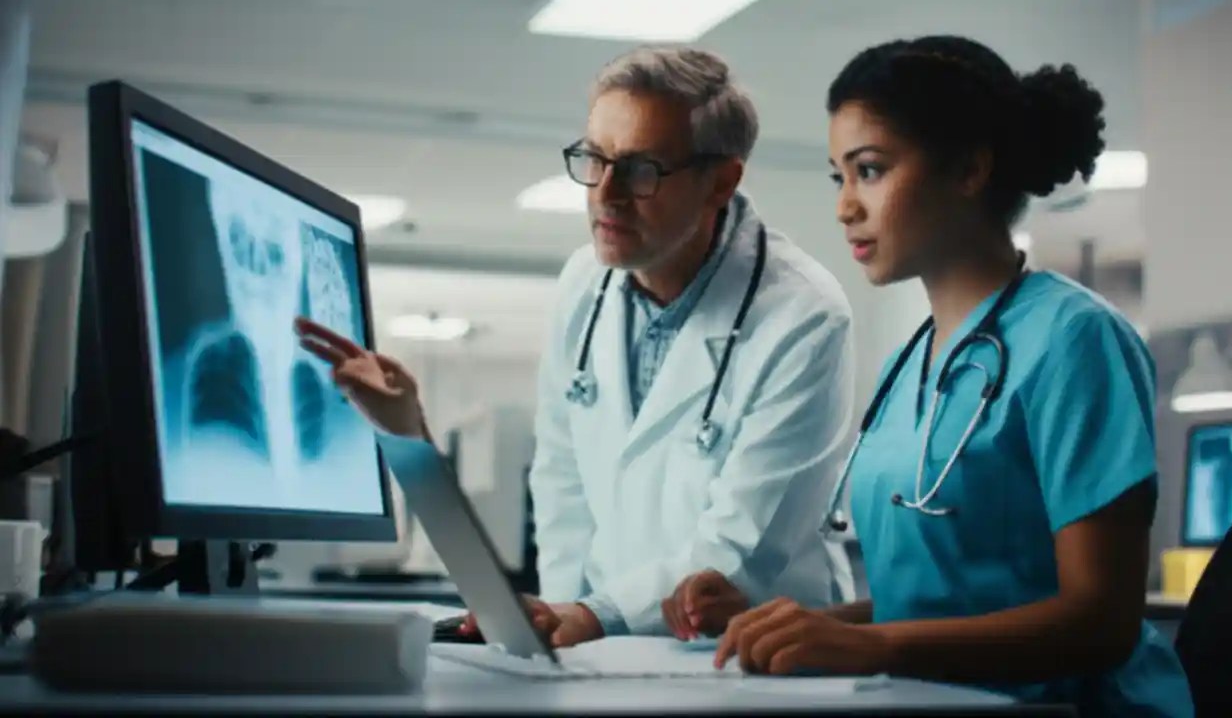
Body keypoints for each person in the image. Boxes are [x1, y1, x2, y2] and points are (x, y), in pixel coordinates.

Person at [297, 46, 858, 646]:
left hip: (755, 655)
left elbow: (742, 544)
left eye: (641, 170)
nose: (605, 193)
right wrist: (552, 623)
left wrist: (590, 616)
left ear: (720, 181)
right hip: (609, 648)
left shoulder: (803, 315)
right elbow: (560, 480)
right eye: (595, 159)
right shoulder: (582, 283)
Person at [712, 35, 1193, 716]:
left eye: (870, 170)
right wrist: (790, 627)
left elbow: (1100, 620)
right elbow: (940, 600)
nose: (846, 205)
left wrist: (876, 647)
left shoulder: (1074, 339)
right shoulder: (913, 360)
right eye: (838, 177)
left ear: (968, 169)